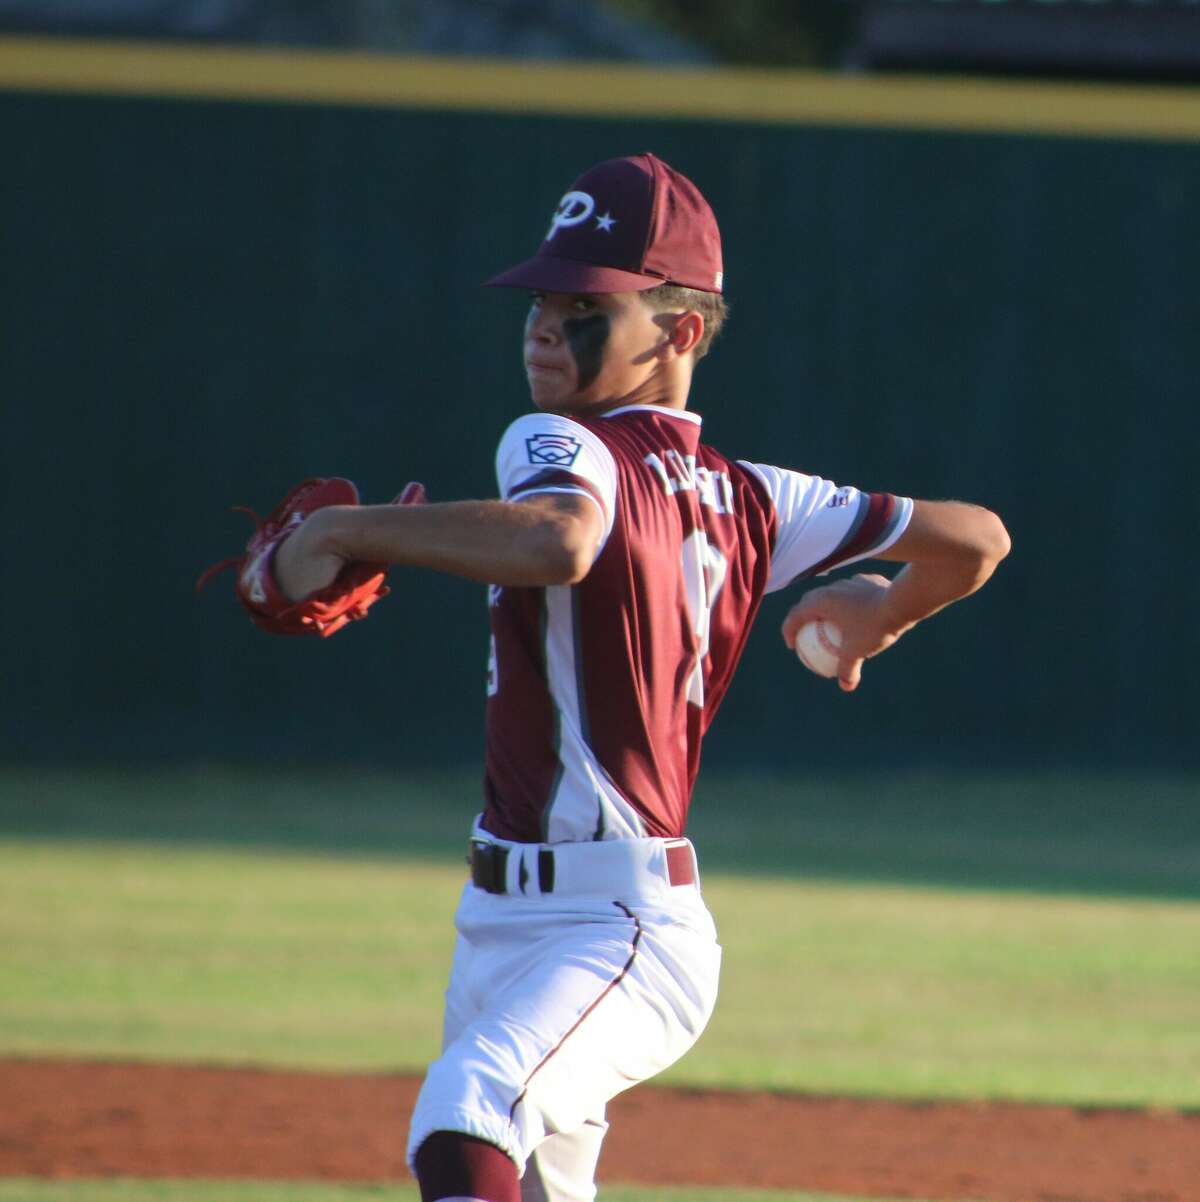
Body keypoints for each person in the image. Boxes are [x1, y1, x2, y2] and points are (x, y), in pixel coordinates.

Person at [273, 152, 1010, 1202]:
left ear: (680, 332)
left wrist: (347, 529)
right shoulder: (759, 496)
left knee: (465, 1111)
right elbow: (976, 539)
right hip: (515, 915)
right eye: (540, 298)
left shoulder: (559, 440)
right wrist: (878, 616)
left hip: (612, 922)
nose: (540, 324)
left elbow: (562, 540)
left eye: (585, 305)